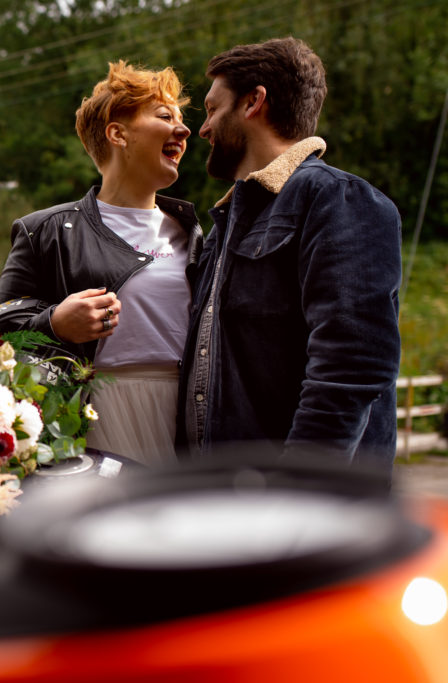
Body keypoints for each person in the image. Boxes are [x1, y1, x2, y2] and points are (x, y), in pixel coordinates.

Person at [177, 37, 402, 474]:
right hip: (226, 494)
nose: (202, 129)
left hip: (297, 500)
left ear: (253, 102)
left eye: (212, 109)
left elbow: (352, 366)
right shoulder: (227, 223)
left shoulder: (338, 199)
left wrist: (296, 489)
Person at [0, 61, 203, 467]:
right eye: (165, 116)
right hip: (93, 414)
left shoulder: (193, 233)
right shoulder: (45, 231)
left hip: (190, 415)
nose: (184, 130)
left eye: (182, 119)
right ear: (118, 134)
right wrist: (54, 324)